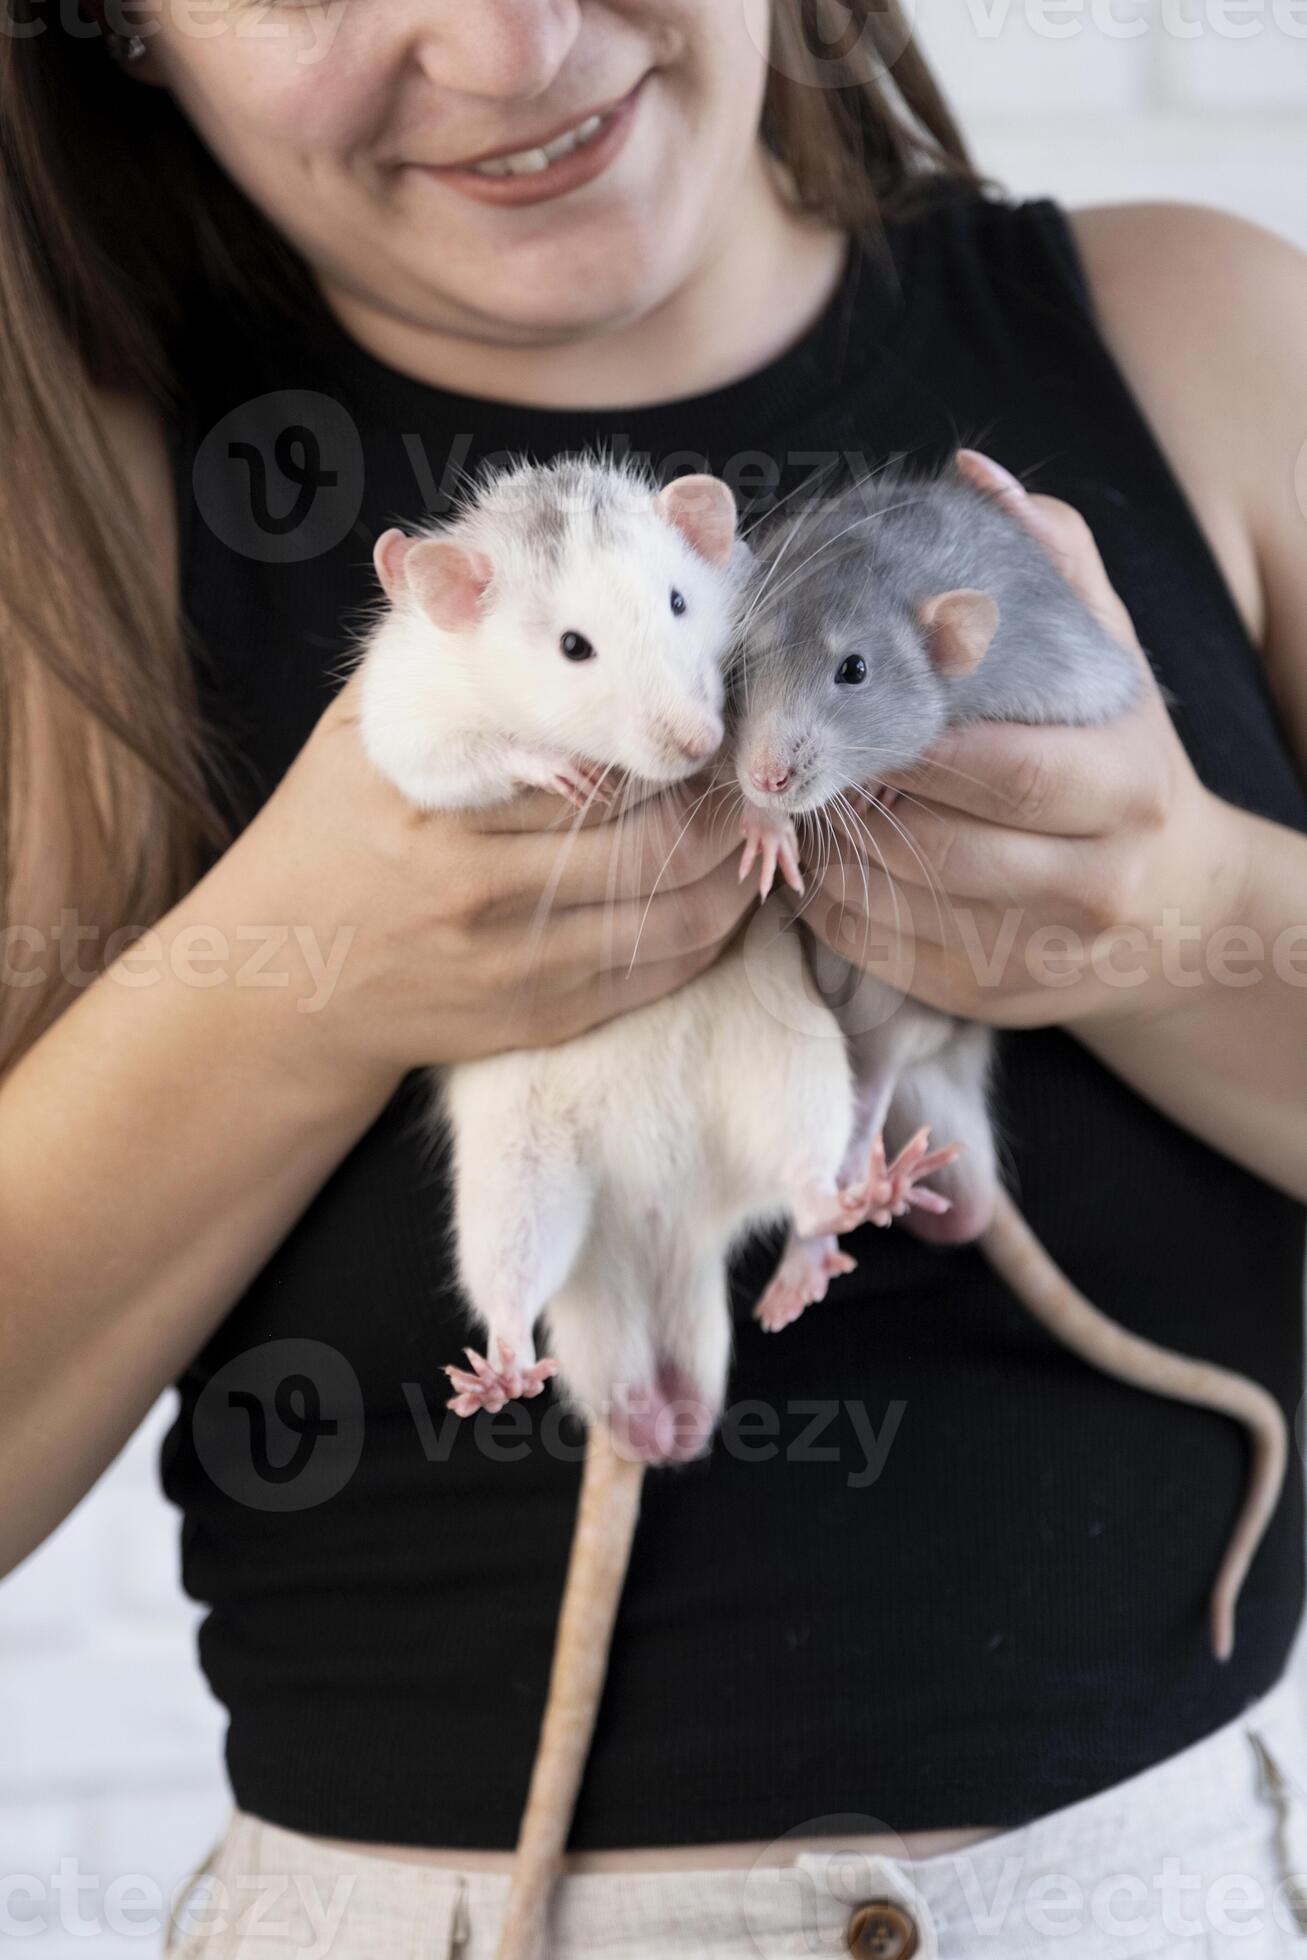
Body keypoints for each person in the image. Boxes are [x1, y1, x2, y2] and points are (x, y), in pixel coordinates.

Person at [2, 2, 1306, 1954]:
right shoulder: (81, 538)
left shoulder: (1204, 338)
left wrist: (1176, 908)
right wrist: (299, 976)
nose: (515, 46)